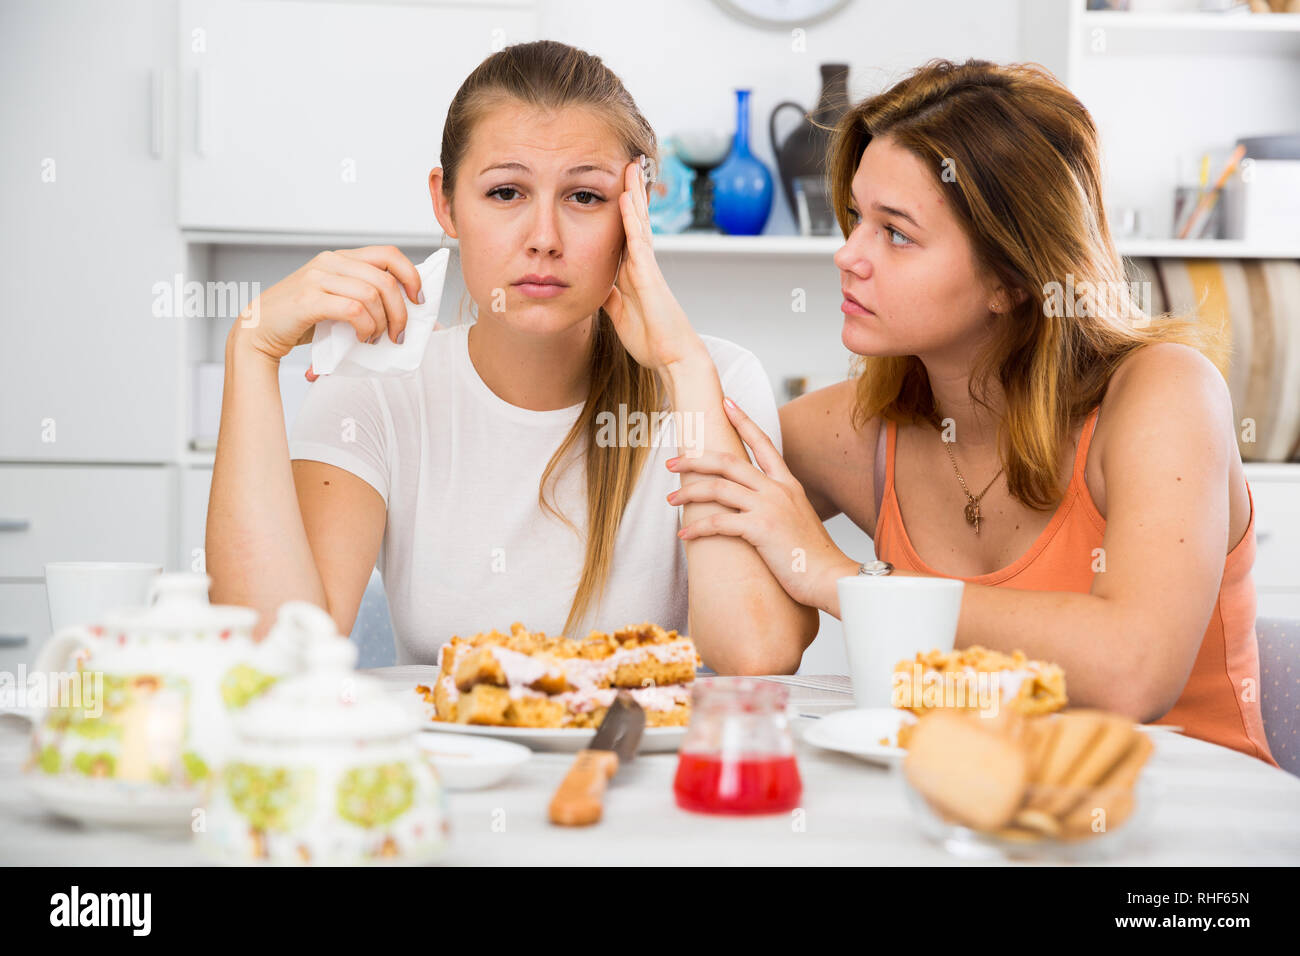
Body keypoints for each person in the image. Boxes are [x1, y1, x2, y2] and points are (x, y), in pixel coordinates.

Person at [667, 58, 1277, 764]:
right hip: (965, 802)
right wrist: (671, 350)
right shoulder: (862, 429)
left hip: (1183, 818)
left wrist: (843, 582)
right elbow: (683, 499)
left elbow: (1131, 671)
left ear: (1012, 278)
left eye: (896, 233)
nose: (847, 255)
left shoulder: (1165, 395)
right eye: (858, 218)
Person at [206, 40, 818, 673]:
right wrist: (250, 351)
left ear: (636, 210)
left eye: (584, 197)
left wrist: (685, 369)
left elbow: (756, 655)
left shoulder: (712, 380)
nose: (544, 240)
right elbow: (274, 661)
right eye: (505, 193)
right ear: (445, 202)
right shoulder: (375, 388)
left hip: (640, 770)